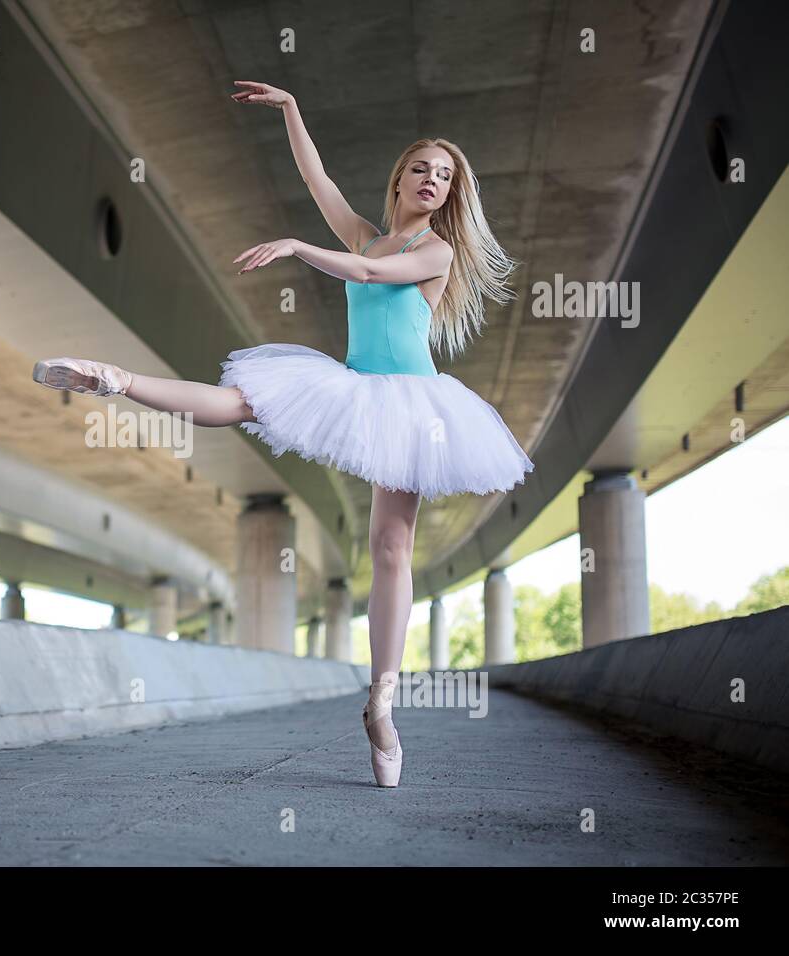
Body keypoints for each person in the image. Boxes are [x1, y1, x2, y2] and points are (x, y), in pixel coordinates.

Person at [31, 80, 533, 788]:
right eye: (422, 167)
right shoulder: (368, 228)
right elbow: (318, 180)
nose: (433, 180)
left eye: (445, 176)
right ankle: (115, 379)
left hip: (413, 403)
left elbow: (364, 271)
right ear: (400, 177)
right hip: (352, 382)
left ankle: (381, 707)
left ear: (452, 195)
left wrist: (298, 245)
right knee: (242, 402)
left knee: (392, 547)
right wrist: (294, 108)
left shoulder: (438, 250)